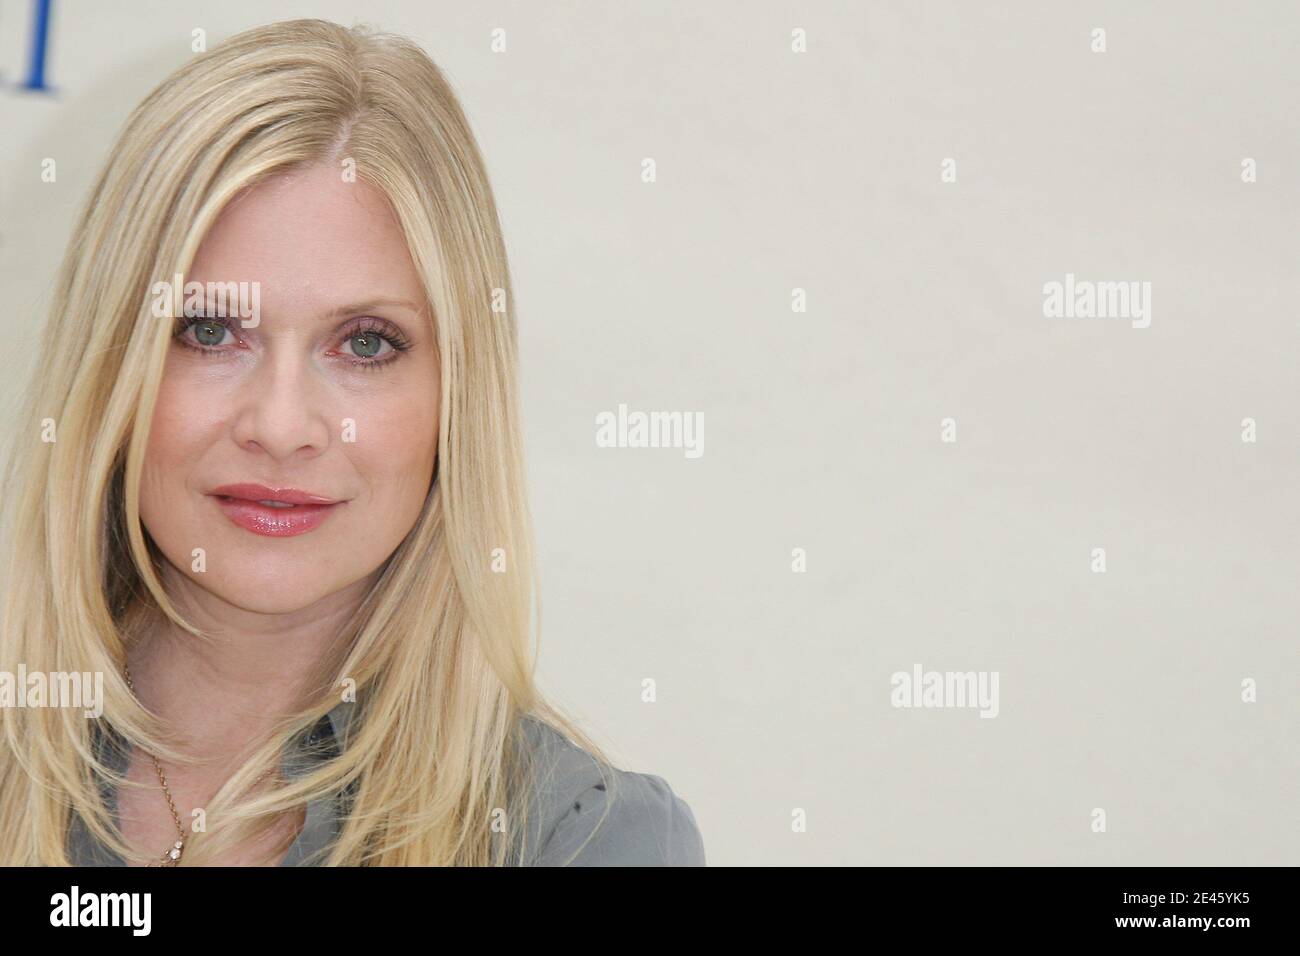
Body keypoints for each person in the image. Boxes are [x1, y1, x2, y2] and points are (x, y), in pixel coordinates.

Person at [0, 18, 705, 867]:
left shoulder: (579, 840)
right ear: (109, 361)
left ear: (457, 395)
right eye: (210, 331)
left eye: (365, 343)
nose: (281, 425)